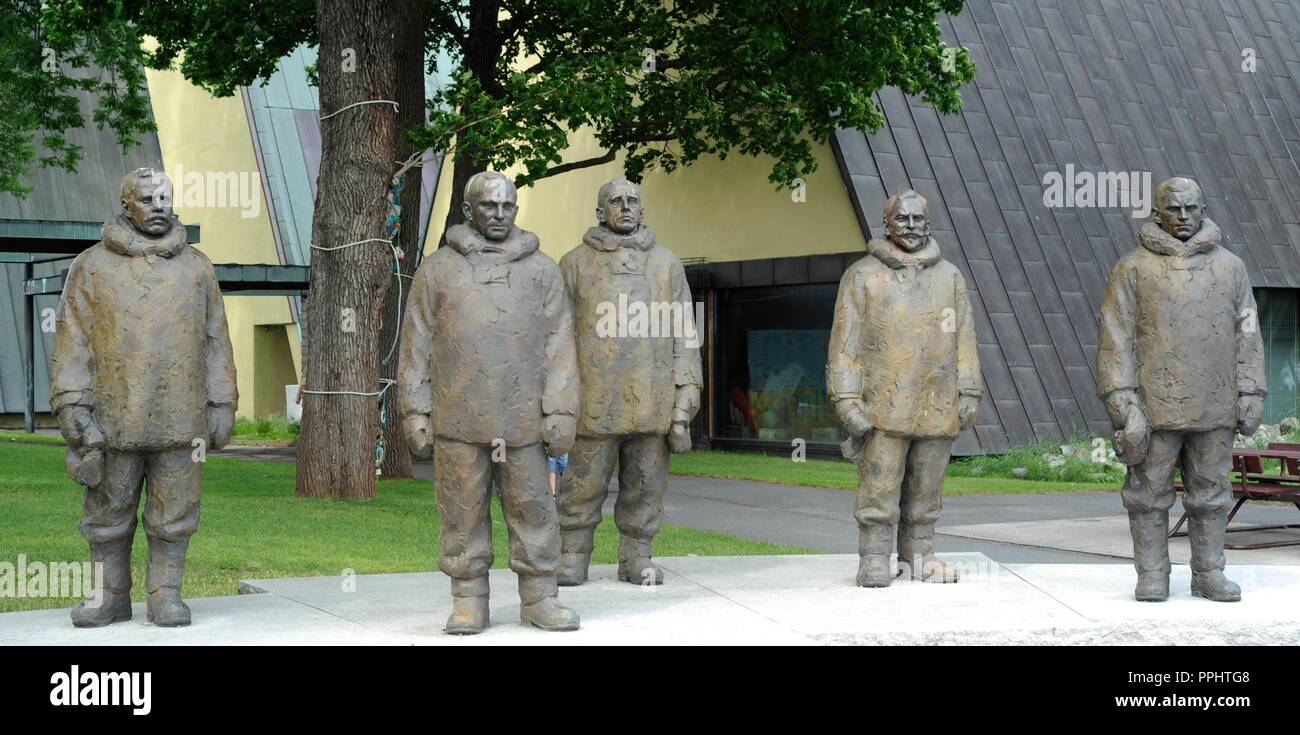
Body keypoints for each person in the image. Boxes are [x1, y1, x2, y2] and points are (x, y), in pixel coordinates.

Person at [51, 168, 237, 627]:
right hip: (113, 418)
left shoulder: (196, 267)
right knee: (107, 514)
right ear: (126, 204)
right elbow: (71, 339)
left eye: (164, 198)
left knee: (174, 514)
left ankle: (165, 595)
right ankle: (109, 595)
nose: (158, 206)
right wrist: (73, 405)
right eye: (147, 198)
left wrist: (221, 402)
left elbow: (216, 339)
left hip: (180, 418)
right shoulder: (92, 266)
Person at [398, 171, 580, 634]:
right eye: (488, 206)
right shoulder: (438, 269)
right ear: (468, 210)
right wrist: (414, 409)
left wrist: (561, 409)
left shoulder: (542, 270)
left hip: (523, 419)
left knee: (534, 508)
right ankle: (468, 599)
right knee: (461, 510)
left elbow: (561, 342)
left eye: (507, 206)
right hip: (458, 416)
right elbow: (415, 342)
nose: (499, 214)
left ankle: (540, 596)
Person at [1097, 176, 1266, 602]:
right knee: (1147, 495)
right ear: (1158, 214)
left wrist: (1250, 390)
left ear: (1203, 209)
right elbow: (1115, 337)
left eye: (1192, 208)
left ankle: (1209, 572)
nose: (1184, 216)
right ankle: (1152, 574)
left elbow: (1247, 329)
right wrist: (1122, 403)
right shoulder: (1132, 267)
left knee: (1211, 493)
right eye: (1174, 209)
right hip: (1153, 406)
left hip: (1215, 403)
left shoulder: (1230, 267)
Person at [826, 190, 981, 587]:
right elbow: (845, 344)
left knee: (927, 492)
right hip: (882, 407)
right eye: (902, 219)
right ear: (887, 224)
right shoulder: (862, 275)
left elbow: (964, 337)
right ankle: (875, 557)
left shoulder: (950, 277)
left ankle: (921, 556)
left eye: (917, 220)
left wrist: (969, 391)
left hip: (937, 404)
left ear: (927, 223)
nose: (910, 227)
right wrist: (847, 401)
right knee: (879, 489)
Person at [555, 179, 702, 586]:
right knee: (582, 486)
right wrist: (557, 399)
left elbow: (686, 334)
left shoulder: (667, 265)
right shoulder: (573, 264)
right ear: (600, 212)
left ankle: (637, 557)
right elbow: (555, 338)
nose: (625, 207)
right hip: (592, 402)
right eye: (615, 202)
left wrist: (685, 396)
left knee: (645, 486)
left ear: (643, 210)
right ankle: (572, 555)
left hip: (651, 402)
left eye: (632, 201)